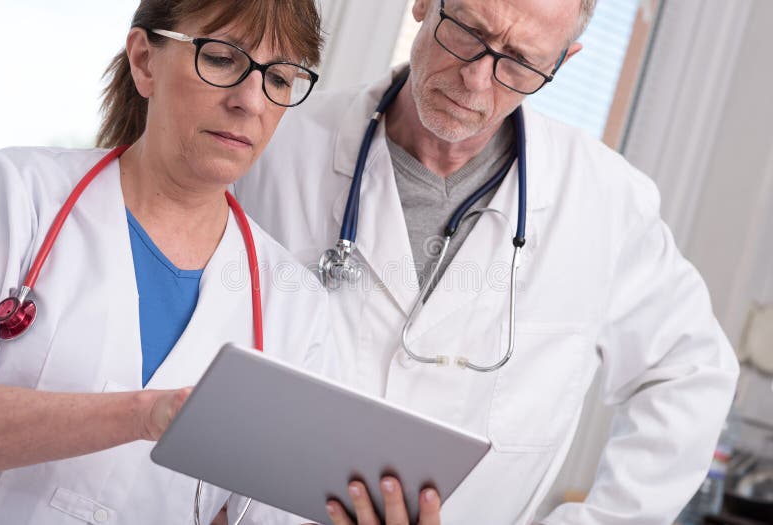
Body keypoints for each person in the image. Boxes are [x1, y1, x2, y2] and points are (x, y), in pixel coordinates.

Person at [234, 0, 740, 523]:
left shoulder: (605, 203)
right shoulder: (277, 149)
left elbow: (691, 373)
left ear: (561, 64)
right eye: (469, 32)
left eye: (519, 61)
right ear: (424, 5)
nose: (476, 79)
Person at [0, 1, 330, 523]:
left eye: (278, 77)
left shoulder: (293, 303)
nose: (250, 100)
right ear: (144, 61)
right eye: (224, 58)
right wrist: (144, 416)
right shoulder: (16, 193)